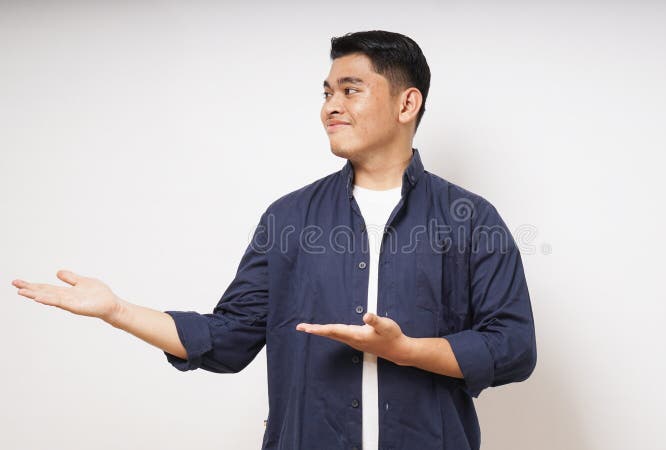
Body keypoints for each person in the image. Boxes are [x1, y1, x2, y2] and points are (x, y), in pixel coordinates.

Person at [12, 30, 537, 450]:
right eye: (327, 93)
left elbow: (514, 348)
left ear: (407, 104)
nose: (331, 106)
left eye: (350, 90)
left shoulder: (472, 219)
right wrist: (116, 310)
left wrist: (405, 350)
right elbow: (227, 338)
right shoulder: (289, 218)